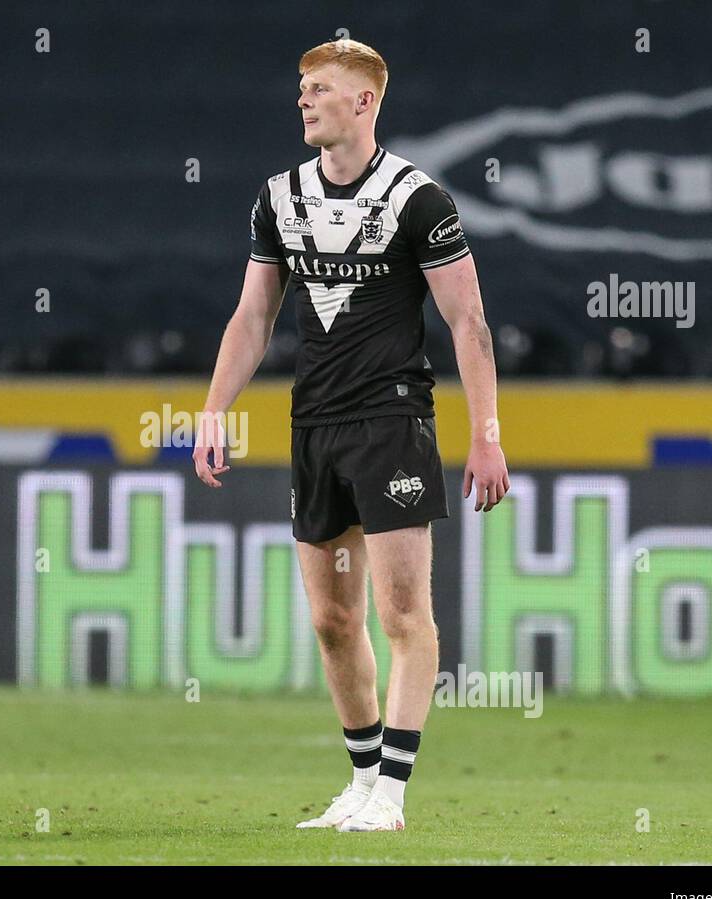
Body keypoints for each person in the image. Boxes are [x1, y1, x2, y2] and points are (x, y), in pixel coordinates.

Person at [194, 38, 510, 831]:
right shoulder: (280, 197)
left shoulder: (417, 200)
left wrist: (487, 434)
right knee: (334, 622)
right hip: (315, 426)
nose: (303, 101)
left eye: (320, 89)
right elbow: (254, 315)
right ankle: (363, 783)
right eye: (301, 89)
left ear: (364, 102)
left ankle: (393, 796)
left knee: (405, 615)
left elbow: (467, 320)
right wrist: (212, 409)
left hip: (393, 423)